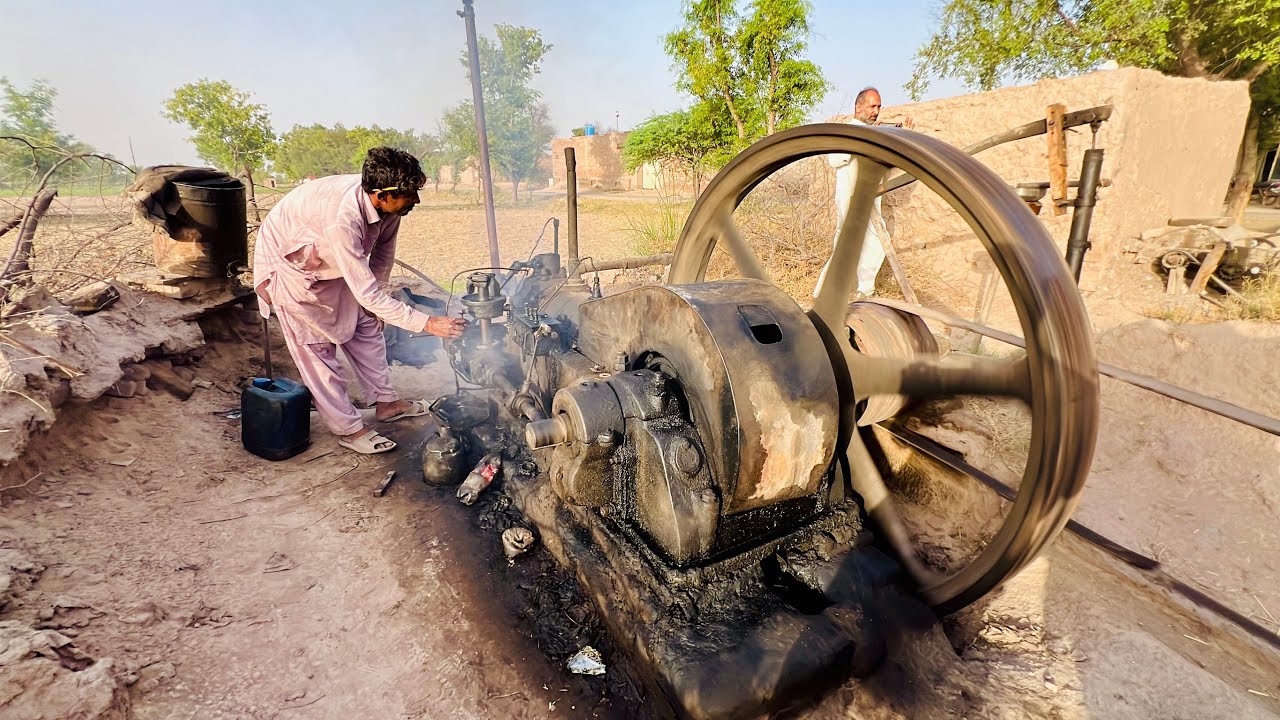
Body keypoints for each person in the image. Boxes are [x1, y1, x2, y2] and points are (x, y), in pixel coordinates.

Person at [252, 147, 465, 455]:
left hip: (330, 264)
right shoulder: (343, 219)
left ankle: (387, 403)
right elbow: (364, 290)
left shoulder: (392, 206)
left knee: (366, 326)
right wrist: (427, 323)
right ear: (381, 194)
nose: (415, 202)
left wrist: (376, 299)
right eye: (410, 195)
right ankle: (349, 429)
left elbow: (382, 255)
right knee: (317, 350)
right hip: (293, 269)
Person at [818, 87, 915, 299]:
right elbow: (834, 159)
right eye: (872, 106)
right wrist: (863, 138)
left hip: (868, 200)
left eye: (879, 106)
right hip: (851, 199)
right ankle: (853, 290)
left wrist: (901, 135)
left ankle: (844, 290)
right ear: (858, 106)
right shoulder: (848, 131)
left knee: (864, 243)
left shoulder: (870, 131)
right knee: (856, 243)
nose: (876, 111)